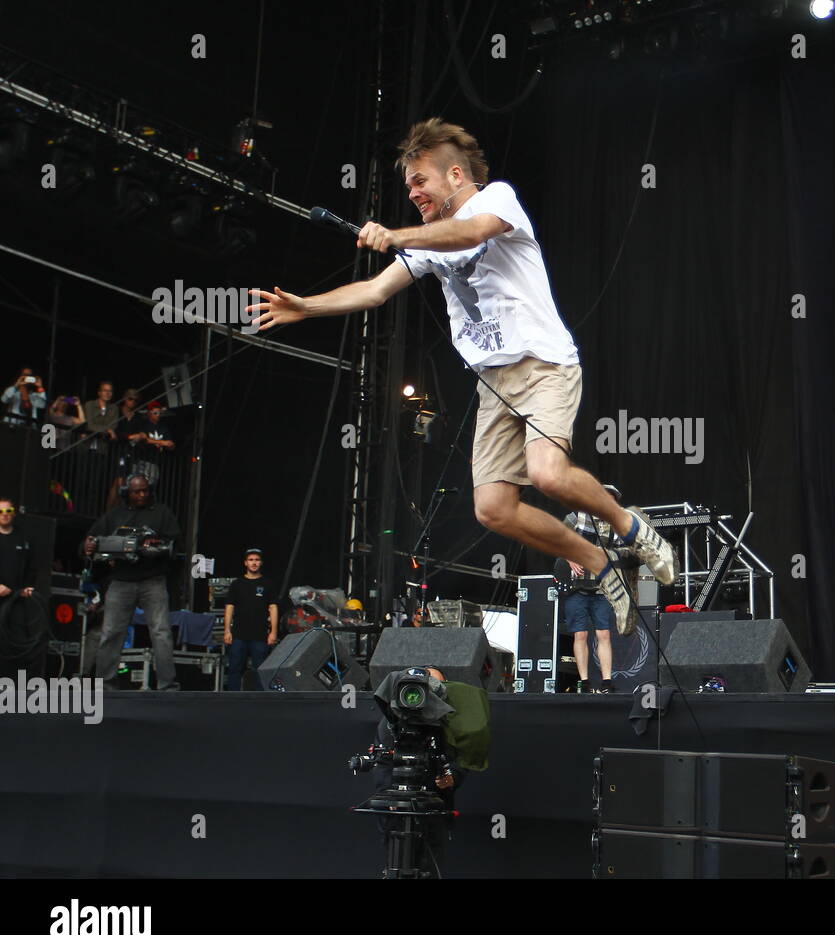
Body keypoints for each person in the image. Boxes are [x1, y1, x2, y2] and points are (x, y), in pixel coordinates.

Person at [248, 118, 677, 635]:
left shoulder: (497, 198)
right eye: (407, 186)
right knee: (493, 509)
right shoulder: (428, 242)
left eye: (419, 181)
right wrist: (305, 306)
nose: (412, 192)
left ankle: (630, 526)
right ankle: (599, 562)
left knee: (547, 474)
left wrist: (396, 234)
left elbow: (472, 232)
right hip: (494, 383)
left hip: (544, 365)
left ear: (455, 174)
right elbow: (373, 292)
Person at [83, 474, 182, 690]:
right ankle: (105, 685)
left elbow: (175, 541)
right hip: (121, 580)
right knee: (111, 632)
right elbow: (92, 539)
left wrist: (154, 546)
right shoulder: (115, 516)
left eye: (145, 490)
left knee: (161, 631)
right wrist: (88, 546)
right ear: (127, 492)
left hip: (153, 579)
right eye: (137, 491)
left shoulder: (161, 513)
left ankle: (167, 686)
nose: (142, 495)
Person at [557, 484, 636, 693]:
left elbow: (624, 551)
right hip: (577, 586)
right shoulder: (577, 516)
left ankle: (607, 682)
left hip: (601, 588)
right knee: (580, 635)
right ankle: (584, 682)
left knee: (604, 634)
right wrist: (569, 558)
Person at [222, 548, 279, 691]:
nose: (254, 563)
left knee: (260, 670)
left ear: (261, 563)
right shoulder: (236, 584)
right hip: (238, 634)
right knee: (235, 668)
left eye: (257, 560)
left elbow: (273, 608)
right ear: (245, 563)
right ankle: (233, 700)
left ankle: (260, 702)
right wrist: (227, 631)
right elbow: (229, 608)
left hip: (259, 635)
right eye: (251, 560)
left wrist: (273, 632)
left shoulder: (268, 584)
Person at [0, 497, 40, 677]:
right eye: (1, 511)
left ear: (14, 513)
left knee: (17, 641)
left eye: (8, 511)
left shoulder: (23, 538)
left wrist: (27, 587)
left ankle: (15, 686)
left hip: (16, 599)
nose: (4, 515)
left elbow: (32, 567)